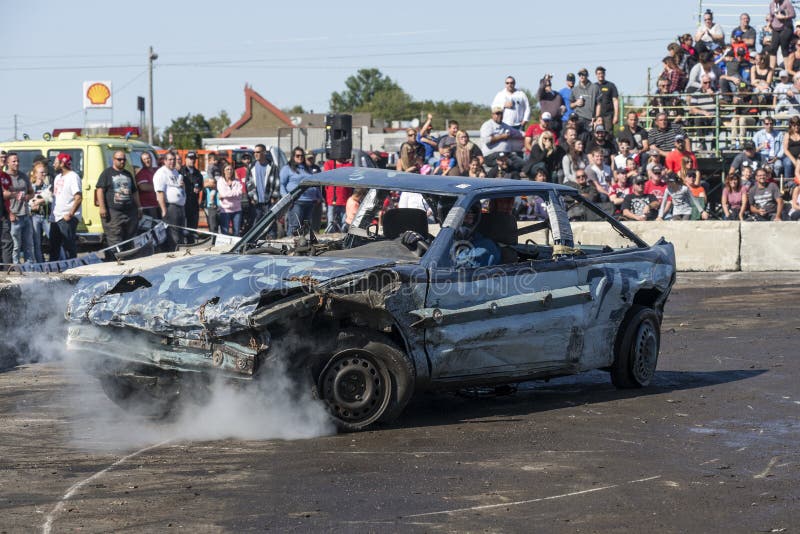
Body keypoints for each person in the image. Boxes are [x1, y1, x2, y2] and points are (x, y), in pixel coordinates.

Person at [96, 150, 141, 247]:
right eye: (119, 159)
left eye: (124, 159)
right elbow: (100, 190)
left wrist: (139, 207)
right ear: (113, 160)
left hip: (129, 212)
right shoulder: (107, 173)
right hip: (113, 213)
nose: (122, 161)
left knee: (129, 239)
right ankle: (116, 255)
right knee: (115, 239)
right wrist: (102, 208)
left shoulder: (128, 174)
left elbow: (134, 192)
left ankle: (128, 255)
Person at [280, 147, 321, 236]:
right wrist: (286, 198)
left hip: (310, 201)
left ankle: (303, 244)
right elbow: (282, 185)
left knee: (306, 228)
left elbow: (315, 183)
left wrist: (318, 196)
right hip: (296, 202)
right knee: (295, 226)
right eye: (297, 156)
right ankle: (290, 243)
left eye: (302, 155)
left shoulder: (307, 168)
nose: (300, 157)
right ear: (293, 156)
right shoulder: (287, 168)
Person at [49, 153, 82, 260]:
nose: (53, 164)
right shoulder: (57, 177)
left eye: (55, 162)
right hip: (55, 217)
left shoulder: (73, 177)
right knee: (53, 247)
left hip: (67, 217)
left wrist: (70, 214)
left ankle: (72, 268)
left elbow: (78, 198)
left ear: (62, 163)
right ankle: (54, 267)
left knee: (68, 247)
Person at [4, 153, 35, 263]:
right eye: (14, 161)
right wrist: (10, 213)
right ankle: (16, 267)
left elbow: (31, 192)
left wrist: (27, 197)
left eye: (18, 161)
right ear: (7, 163)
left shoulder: (23, 176)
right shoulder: (4, 177)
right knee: (16, 246)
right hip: (14, 217)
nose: (16, 163)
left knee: (29, 244)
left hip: (25, 215)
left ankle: (29, 267)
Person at [153, 151, 186, 251]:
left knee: (180, 233)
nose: (172, 162)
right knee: (173, 234)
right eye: (170, 159)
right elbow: (160, 192)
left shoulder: (175, 171)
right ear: (165, 161)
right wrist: (164, 210)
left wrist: (182, 186)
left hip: (180, 207)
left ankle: (180, 252)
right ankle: (174, 253)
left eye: (174, 159)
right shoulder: (161, 173)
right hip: (170, 207)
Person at [322, 157, 353, 232]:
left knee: (344, 222)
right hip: (332, 198)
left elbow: (348, 175)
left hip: (345, 199)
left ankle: (343, 236)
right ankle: (330, 236)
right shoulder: (329, 163)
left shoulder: (349, 165)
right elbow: (328, 176)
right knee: (331, 222)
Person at [28, 162, 50, 264]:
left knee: (53, 239)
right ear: (36, 174)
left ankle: (59, 260)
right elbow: (27, 202)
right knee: (37, 242)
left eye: (45, 172)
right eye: (41, 172)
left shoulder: (47, 187)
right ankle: (40, 263)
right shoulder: (31, 187)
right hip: (34, 217)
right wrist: (32, 206)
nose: (44, 174)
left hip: (46, 216)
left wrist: (42, 201)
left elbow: (50, 199)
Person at [180, 151, 203, 241]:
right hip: (183, 203)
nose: (192, 160)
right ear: (185, 159)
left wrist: (199, 188)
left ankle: (191, 244)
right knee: (182, 228)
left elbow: (201, 185)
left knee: (192, 229)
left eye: (194, 159)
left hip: (193, 203)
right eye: (190, 158)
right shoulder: (180, 171)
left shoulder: (197, 173)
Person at [767, 0, 796, 71]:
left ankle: (787, 70)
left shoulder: (786, 2)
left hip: (785, 27)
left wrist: (784, 17)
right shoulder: (772, 4)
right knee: (773, 48)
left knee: (784, 48)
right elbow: (771, 15)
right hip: (775, 28)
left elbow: (793, 14)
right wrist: (769, 24)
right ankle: (771, 70)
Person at [217, 164, 243, 236]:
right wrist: (234, 194)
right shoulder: (220, 181)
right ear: (224, 171)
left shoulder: (237, 181)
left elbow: (240, 193)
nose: (229, 171)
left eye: (231, 169)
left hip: (237, 210)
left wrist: (226, 195)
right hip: (225, 210)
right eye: (227, 169)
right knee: (225, 232)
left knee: (236, 232)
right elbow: (223, 193)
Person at [593, 66, 619, 133]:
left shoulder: (611, 85)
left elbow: (615, 101)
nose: (600, 75)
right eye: (599, 73)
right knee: (597, 133)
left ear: (604, 74)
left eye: (602, 73)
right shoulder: (593, 86)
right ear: (596, 75)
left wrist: (616, 116)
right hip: (596, 116)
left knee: (608, 134)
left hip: (608, 116)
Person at [135, 151, 159, 219]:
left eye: (148, 158)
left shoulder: (157, 170)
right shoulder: (141, 173)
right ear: (141, 161)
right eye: (144, 159)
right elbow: (143, 187)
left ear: (151, 159)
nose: (147, 161)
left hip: (158, 205)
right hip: (148, 207)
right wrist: (160, 188)